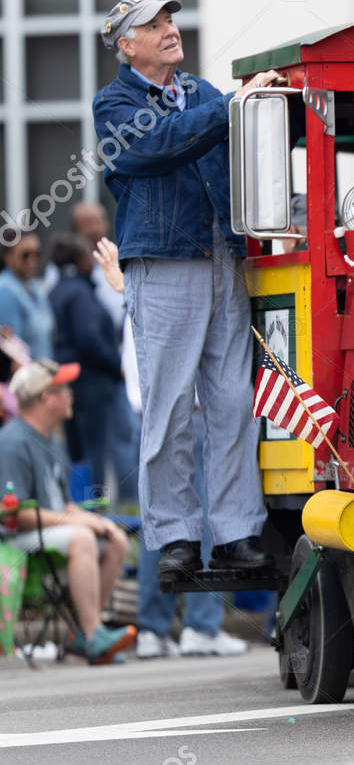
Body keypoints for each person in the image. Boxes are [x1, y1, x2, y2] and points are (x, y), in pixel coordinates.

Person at [91, 0, 282, 581]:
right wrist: (236, 106)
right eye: (154, 24)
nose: (170, 28)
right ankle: (176, 537)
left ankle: (234, 533)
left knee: (232, 405)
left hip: (223, 258)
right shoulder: (115, 102)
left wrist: (274, 101)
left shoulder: (201, 94)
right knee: (170, 407)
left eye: (169, 19)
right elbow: (156, 145)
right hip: (166, 263)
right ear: (127, 46)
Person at [88, 238, 243, 657]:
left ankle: (155, 629)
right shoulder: (168, 291)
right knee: (202, 516)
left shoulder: (141, 296)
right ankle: (201, 625)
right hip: (187, 412)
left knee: (160, 518)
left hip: (150, 415)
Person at [0, 361, 135, 663]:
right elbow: (14, 516)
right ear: (45, 397)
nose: (71, 395)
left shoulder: (55, 441)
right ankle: (93, 633)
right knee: (82, 538)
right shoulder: (11, 442)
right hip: (14, 544)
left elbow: (61, 503)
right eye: (63, 390)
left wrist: (90, 519)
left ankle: (88, 635)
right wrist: (74, 521)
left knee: (115, 539)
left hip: (47, 531)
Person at [47, 235, 138, 506]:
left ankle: (80, 503)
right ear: (78, 260)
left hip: (74, 381)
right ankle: (94, 505)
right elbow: (89, 339)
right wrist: (116, 365)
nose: (93, 262)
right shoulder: (80, 294)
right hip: (93, 382)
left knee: (78, 447)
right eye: (88, 256)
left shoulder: (58, 290)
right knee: (96, 446)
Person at [0, 233, 54, 362]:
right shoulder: (5, 291)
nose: (32, 260)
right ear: (7, 256)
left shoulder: (33, 286)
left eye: (37, 254)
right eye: (25, 255)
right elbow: (13, 353)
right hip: (26, 379)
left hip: (43, 376)